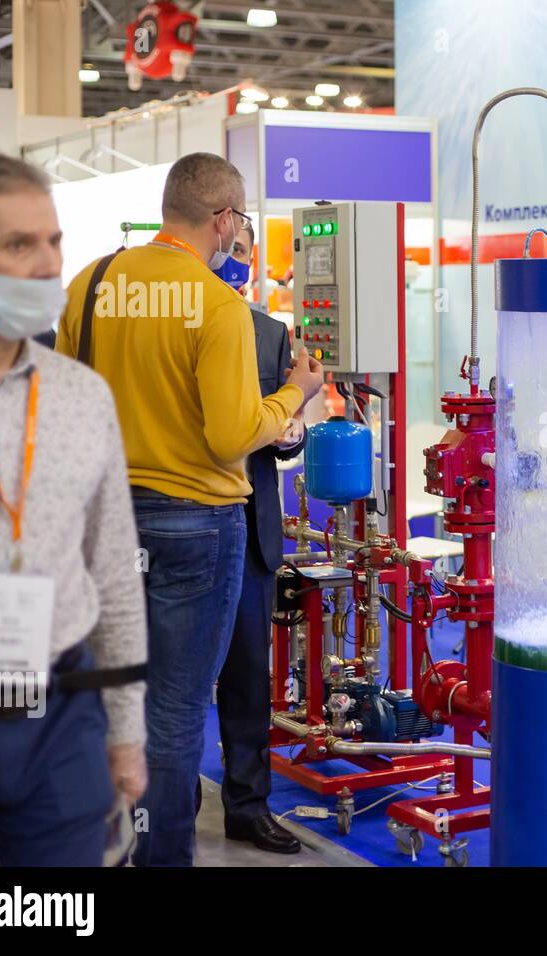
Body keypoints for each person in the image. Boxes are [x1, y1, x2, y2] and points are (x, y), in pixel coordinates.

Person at [56, 151, 325, 867]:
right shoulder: (215, 304)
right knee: (174, 715)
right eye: (236, 220)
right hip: (195, 526)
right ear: (223, 219)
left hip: (105, 520)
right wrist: (293, 395)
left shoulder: (90, 284)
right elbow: (231, 434)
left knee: (112, 702)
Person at [0, 151, 147, 865]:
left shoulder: (80, 396)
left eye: (53, 242)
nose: (44, 265)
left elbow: (116, 572)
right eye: (17, 244)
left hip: (62, 711)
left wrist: (126, 732)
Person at [212, 220, 305, 853]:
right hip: (182, 522)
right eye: (228, 252)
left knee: (249, 679)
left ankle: (248, 806)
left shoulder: (272, 336)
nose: (235, 262)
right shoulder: (176, 322)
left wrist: (289, 433)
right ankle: (167, 804)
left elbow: (291, 430)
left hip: (249, 534)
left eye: (243, 254)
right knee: (180, 678)